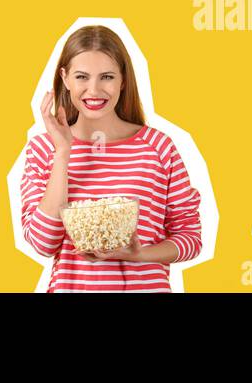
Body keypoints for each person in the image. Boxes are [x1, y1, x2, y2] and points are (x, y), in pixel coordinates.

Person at [19, 25, 203, 293]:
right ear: (65, 78)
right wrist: (63, 152)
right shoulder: (44, 149)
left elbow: (191, 238)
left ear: (123, 80)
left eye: (106, 77)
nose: (93, 90)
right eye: (81, 76)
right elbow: (42, 243)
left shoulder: (158, 147)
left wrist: (138, 255)